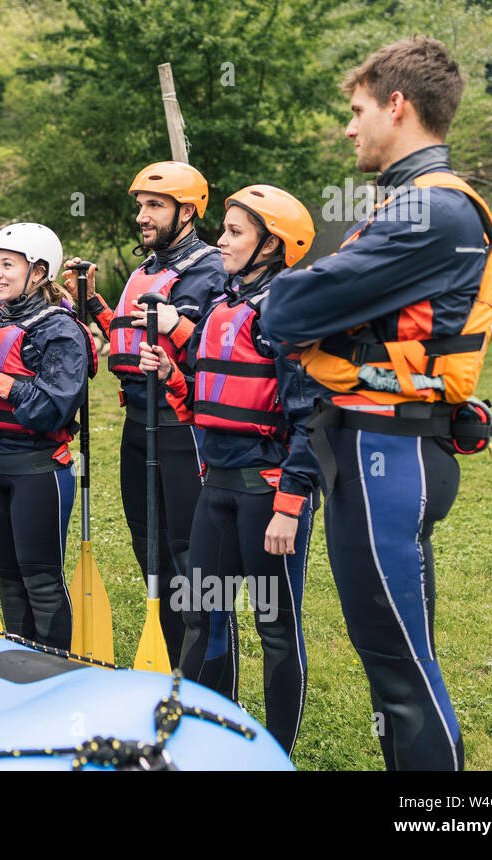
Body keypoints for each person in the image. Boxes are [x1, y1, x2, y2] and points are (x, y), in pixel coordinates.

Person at [261, 36, 492, 771]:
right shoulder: (407, 206)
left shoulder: (432, 212)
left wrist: (309, 304)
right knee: (400, 667)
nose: (349, 126)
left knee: (401, 676)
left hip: (386, 457)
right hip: (381, 453)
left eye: (358, 109)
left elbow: (283, 310)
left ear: (397, 106)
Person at [139, 185, 321, 755]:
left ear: (273, 244)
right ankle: (188, 744)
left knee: (274, 630)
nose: (221, 240)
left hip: (268, 498)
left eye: (236, 232)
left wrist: (290, 507)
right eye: (225, 229)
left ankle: (276, 754)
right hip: (215, 490)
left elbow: (311, 420)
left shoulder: (286, 314)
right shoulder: (222, 305)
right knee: (202, 615)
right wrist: (171, 371)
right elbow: (204, 394)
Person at [62, 161, 230, 678]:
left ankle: (213, 677)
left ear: (188, 211)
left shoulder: (211, 270)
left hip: (183, 428)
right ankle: (175, 664)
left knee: (189, 559)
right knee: (148, 550)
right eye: (140, 205)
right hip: (139, 424)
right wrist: (94, 307)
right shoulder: (144, 270)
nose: (142, 215)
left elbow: (213, 350)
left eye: (154, 205)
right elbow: (134, 337)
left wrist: (175, 327)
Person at [0, 224, 94, 650]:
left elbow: (55, 408)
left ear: (40, 272)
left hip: (37, 473)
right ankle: (17, 661)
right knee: (7, 579)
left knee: (41, 583)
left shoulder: (60, 331)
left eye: (8, 265)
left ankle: (53, 673)